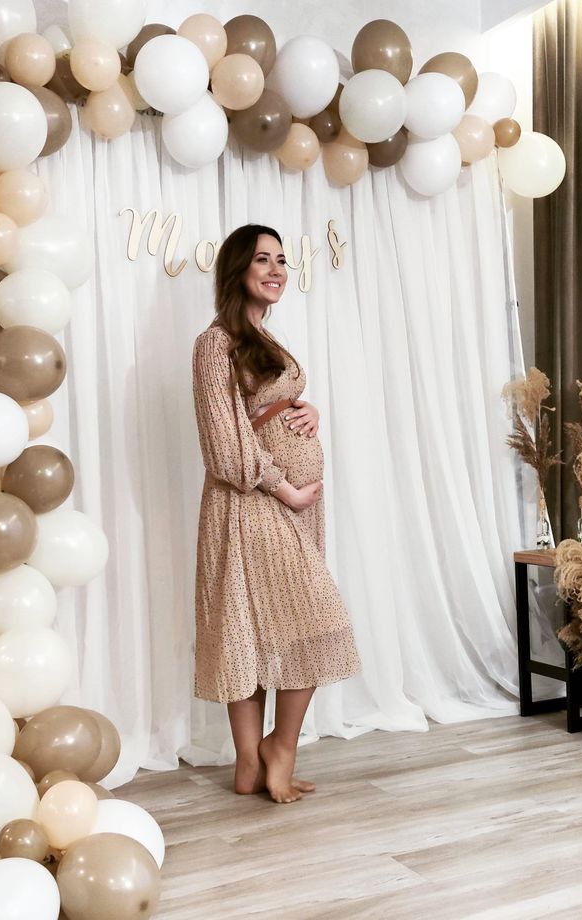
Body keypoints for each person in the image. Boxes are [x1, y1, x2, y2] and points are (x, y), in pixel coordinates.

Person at [192, 224, 361, 804]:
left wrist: (305, 408)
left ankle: (251, 765)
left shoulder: (262, 335)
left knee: (272, 625)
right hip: (250, 502)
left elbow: (261, 406)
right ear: (237, 270)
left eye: (282, 261)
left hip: (290, 504)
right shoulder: (217, 343)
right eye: (262, 259)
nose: (276, 270)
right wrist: (284, 487)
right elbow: (224, 444)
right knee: (298, 620)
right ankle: (269, 752)